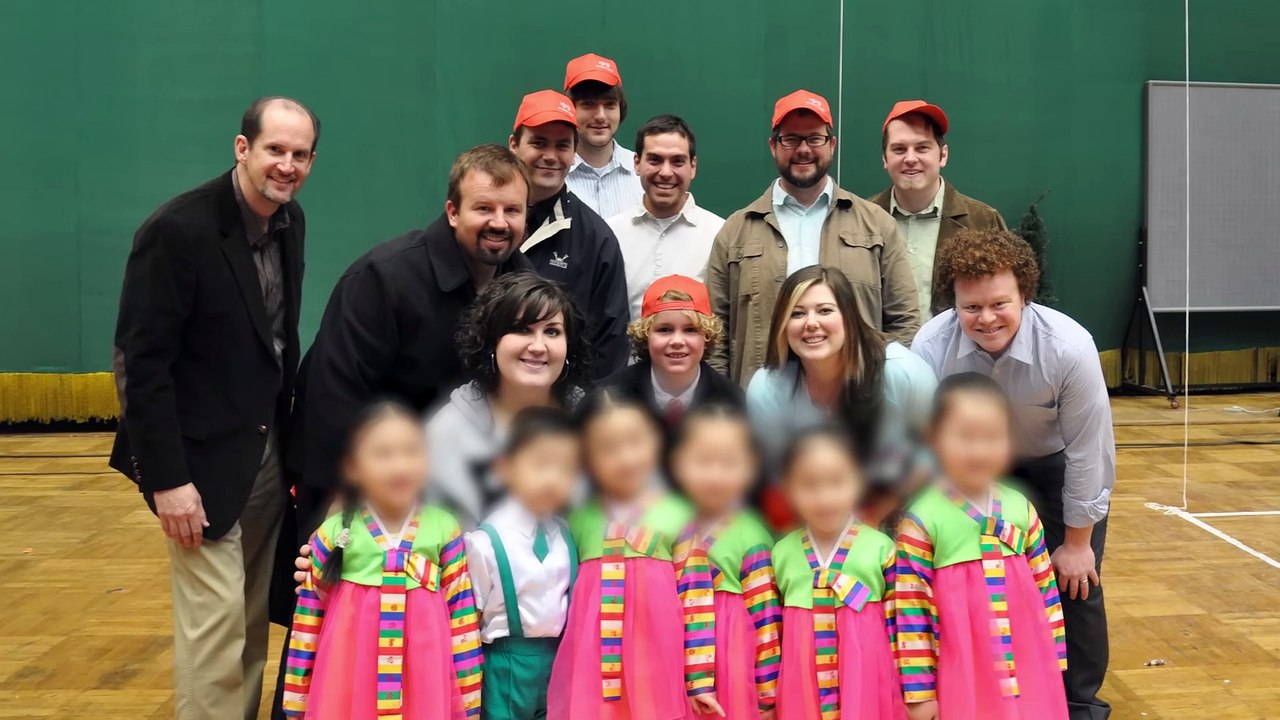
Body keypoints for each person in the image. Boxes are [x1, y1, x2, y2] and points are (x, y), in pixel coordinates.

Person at [110, 96, 318, 720]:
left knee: (249, 624)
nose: (287, 165)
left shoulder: (291, 220)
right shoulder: (176, 231)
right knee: (214, 634)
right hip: (195, 468)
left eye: (300, 154)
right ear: (242, 148)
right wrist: (167, 480)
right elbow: (140, 365)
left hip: (264, 452)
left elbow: (274, 343)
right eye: (275, 149)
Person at [911, 229, 1113, 720]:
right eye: (971, 307)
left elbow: (1089, 450)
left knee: (1074, 584)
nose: (986, 318)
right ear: (953, 303)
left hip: (1051, 466)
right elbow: (920, 436)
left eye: (999, 303)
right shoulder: (931, 345)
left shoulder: (1069, 348)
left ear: (1025, 294)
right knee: (969, 584)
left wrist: (1078, 543)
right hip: (963, 473)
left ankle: (1077, 703)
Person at [290, 144, 533, 533]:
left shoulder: (524, 284)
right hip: (361, 484)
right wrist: (345, 491)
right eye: (484, 208)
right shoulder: (384, 278)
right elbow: (335, 395)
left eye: (513, 211)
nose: (499, 222)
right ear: (453, 212)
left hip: (454, 484)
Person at [282, 402, 483, 719]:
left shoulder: (445, 530)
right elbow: (308, 619)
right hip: (347, 682)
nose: (400, 466)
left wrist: (469, 699)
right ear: (352, 467)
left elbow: (462, 617)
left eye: (411, 452)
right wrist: (297, 700)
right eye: (383, 454)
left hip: (426, 681)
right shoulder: (333, 533)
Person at [707, 89, 920, 387]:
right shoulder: (735, 231)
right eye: (791, 139)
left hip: (855, 400)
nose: (804, 149)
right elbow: (714, 332)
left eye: (815, 138)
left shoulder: (877, 225)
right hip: (761, 401)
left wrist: (877, 390)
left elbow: (905, 321)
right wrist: (724, 399)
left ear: (832, 144)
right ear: (773, 146)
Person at [896, 373, 1068, 720]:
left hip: (1028, 666)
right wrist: (919, 691)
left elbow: (1045, 586)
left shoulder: (1021, 508)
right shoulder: (922, 520)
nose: (978, 450)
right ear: (933, 439)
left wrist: (1053, 657)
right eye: (964, 437)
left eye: (992, 437)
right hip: (962, 672)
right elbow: (910, 608)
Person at [547, 390, 699, 719]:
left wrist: (700, 679)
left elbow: (696, 600)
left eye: (636, 440)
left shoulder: (679, 515)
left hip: (658, 668)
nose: (626, 458)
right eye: (607, 447)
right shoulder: (576, 519)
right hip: (590, 668)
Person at [426, 271, 592, 527]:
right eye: (522, 329)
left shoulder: (593, 421)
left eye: (552, 332)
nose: (538, 346)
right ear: (492, 342)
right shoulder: (446, 431)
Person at [746, 266, 936, 479]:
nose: (811, 323)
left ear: (849, 317)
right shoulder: (767, 388)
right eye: (797, 314)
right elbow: (774, 476)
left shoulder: (903, 371)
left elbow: (935, 455)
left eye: (824, 310)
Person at [771, 428, 905, 720]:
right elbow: (771, 632)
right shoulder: (780, 554)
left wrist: (913, 691)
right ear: (788, 488)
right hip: (801, 688)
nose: (825, 497)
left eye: (837, 482)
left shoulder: (882, 548)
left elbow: (903, 623)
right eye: (809, 485)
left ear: (859, 481)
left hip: (869, 684)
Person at [465, 407, 581, 720]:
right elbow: (470, 618)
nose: (552, 479)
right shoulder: (486, 541)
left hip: (558, 660)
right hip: (504, 662)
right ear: (505, 467)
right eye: (540, 464)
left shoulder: (566, 535)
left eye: (565, 468)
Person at [669, 404, 782, 719]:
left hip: (729, 667)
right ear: (677, 462)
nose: (715, 475)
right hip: (668, 656)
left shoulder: (752, 535)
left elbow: (766, 620)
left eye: (730, 463)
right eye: (703, 461)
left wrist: (766, 696)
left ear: (751, 468)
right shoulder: (665, 524)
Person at [509, 89, 631, 377]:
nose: (551, 156)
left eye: (562, 145)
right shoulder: (486, 222)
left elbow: (610, 345)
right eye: (539, 143)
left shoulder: (596, 238)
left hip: (563, 402)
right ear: (514, 144)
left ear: (574, 153)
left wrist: (581, 402)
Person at [869, 100, 1007, 320]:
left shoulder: (983, 221)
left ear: (943, 155)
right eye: (899, 149)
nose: (910, 159)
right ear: (885, 159)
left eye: (922, 148)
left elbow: (1003, 299)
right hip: (883, 343)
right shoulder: (863, 218)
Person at [607, 115, 724, 321]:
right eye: (655, 160)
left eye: (677, 161)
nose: (666, 172)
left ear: (693, 167)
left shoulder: (719, 235)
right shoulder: (610, 234)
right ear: (637, 163)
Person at [603, 275, 744, 431]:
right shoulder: (608, 398)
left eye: (690, 330)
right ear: (645, 336)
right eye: (664, 330)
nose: (677, 341)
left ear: (707, 337)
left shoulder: (732, 401)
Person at [563, 52, 643, 218]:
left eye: (609, 105)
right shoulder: (553, 174)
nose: (600, 116)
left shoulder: (643, 172)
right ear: (570, 108)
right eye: (588, 104)